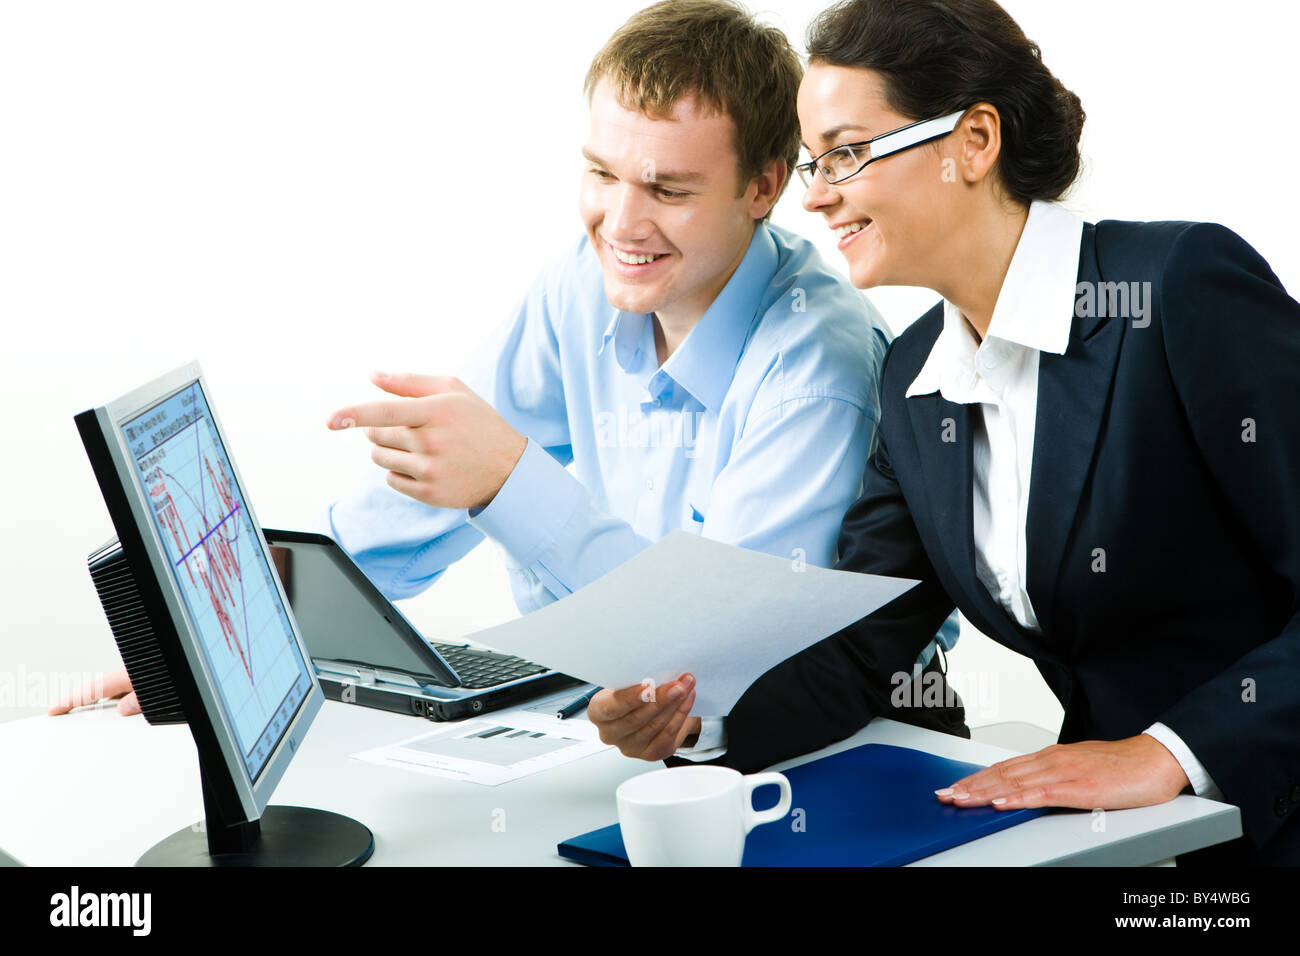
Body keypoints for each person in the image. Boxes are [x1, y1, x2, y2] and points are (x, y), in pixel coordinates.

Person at [51, 0, 961, 755]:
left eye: (668, 190)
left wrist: (511, 483)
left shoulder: (818, 366)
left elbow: (714, 663)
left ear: (765, 185)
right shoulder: (584, 284)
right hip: (633, 738)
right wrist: (217, 635)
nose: (620, 221)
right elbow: (417, 507)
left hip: (835, 751)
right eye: (601, 173)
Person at [638, 0, 1296, 865]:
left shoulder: (1174, 290)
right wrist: (691, 720)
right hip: (1112, 836)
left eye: (846, 151)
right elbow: (865, 647)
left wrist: (1168, 751)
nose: (817, 194)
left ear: (974, 143)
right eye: (811, 162)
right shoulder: (916, 379)